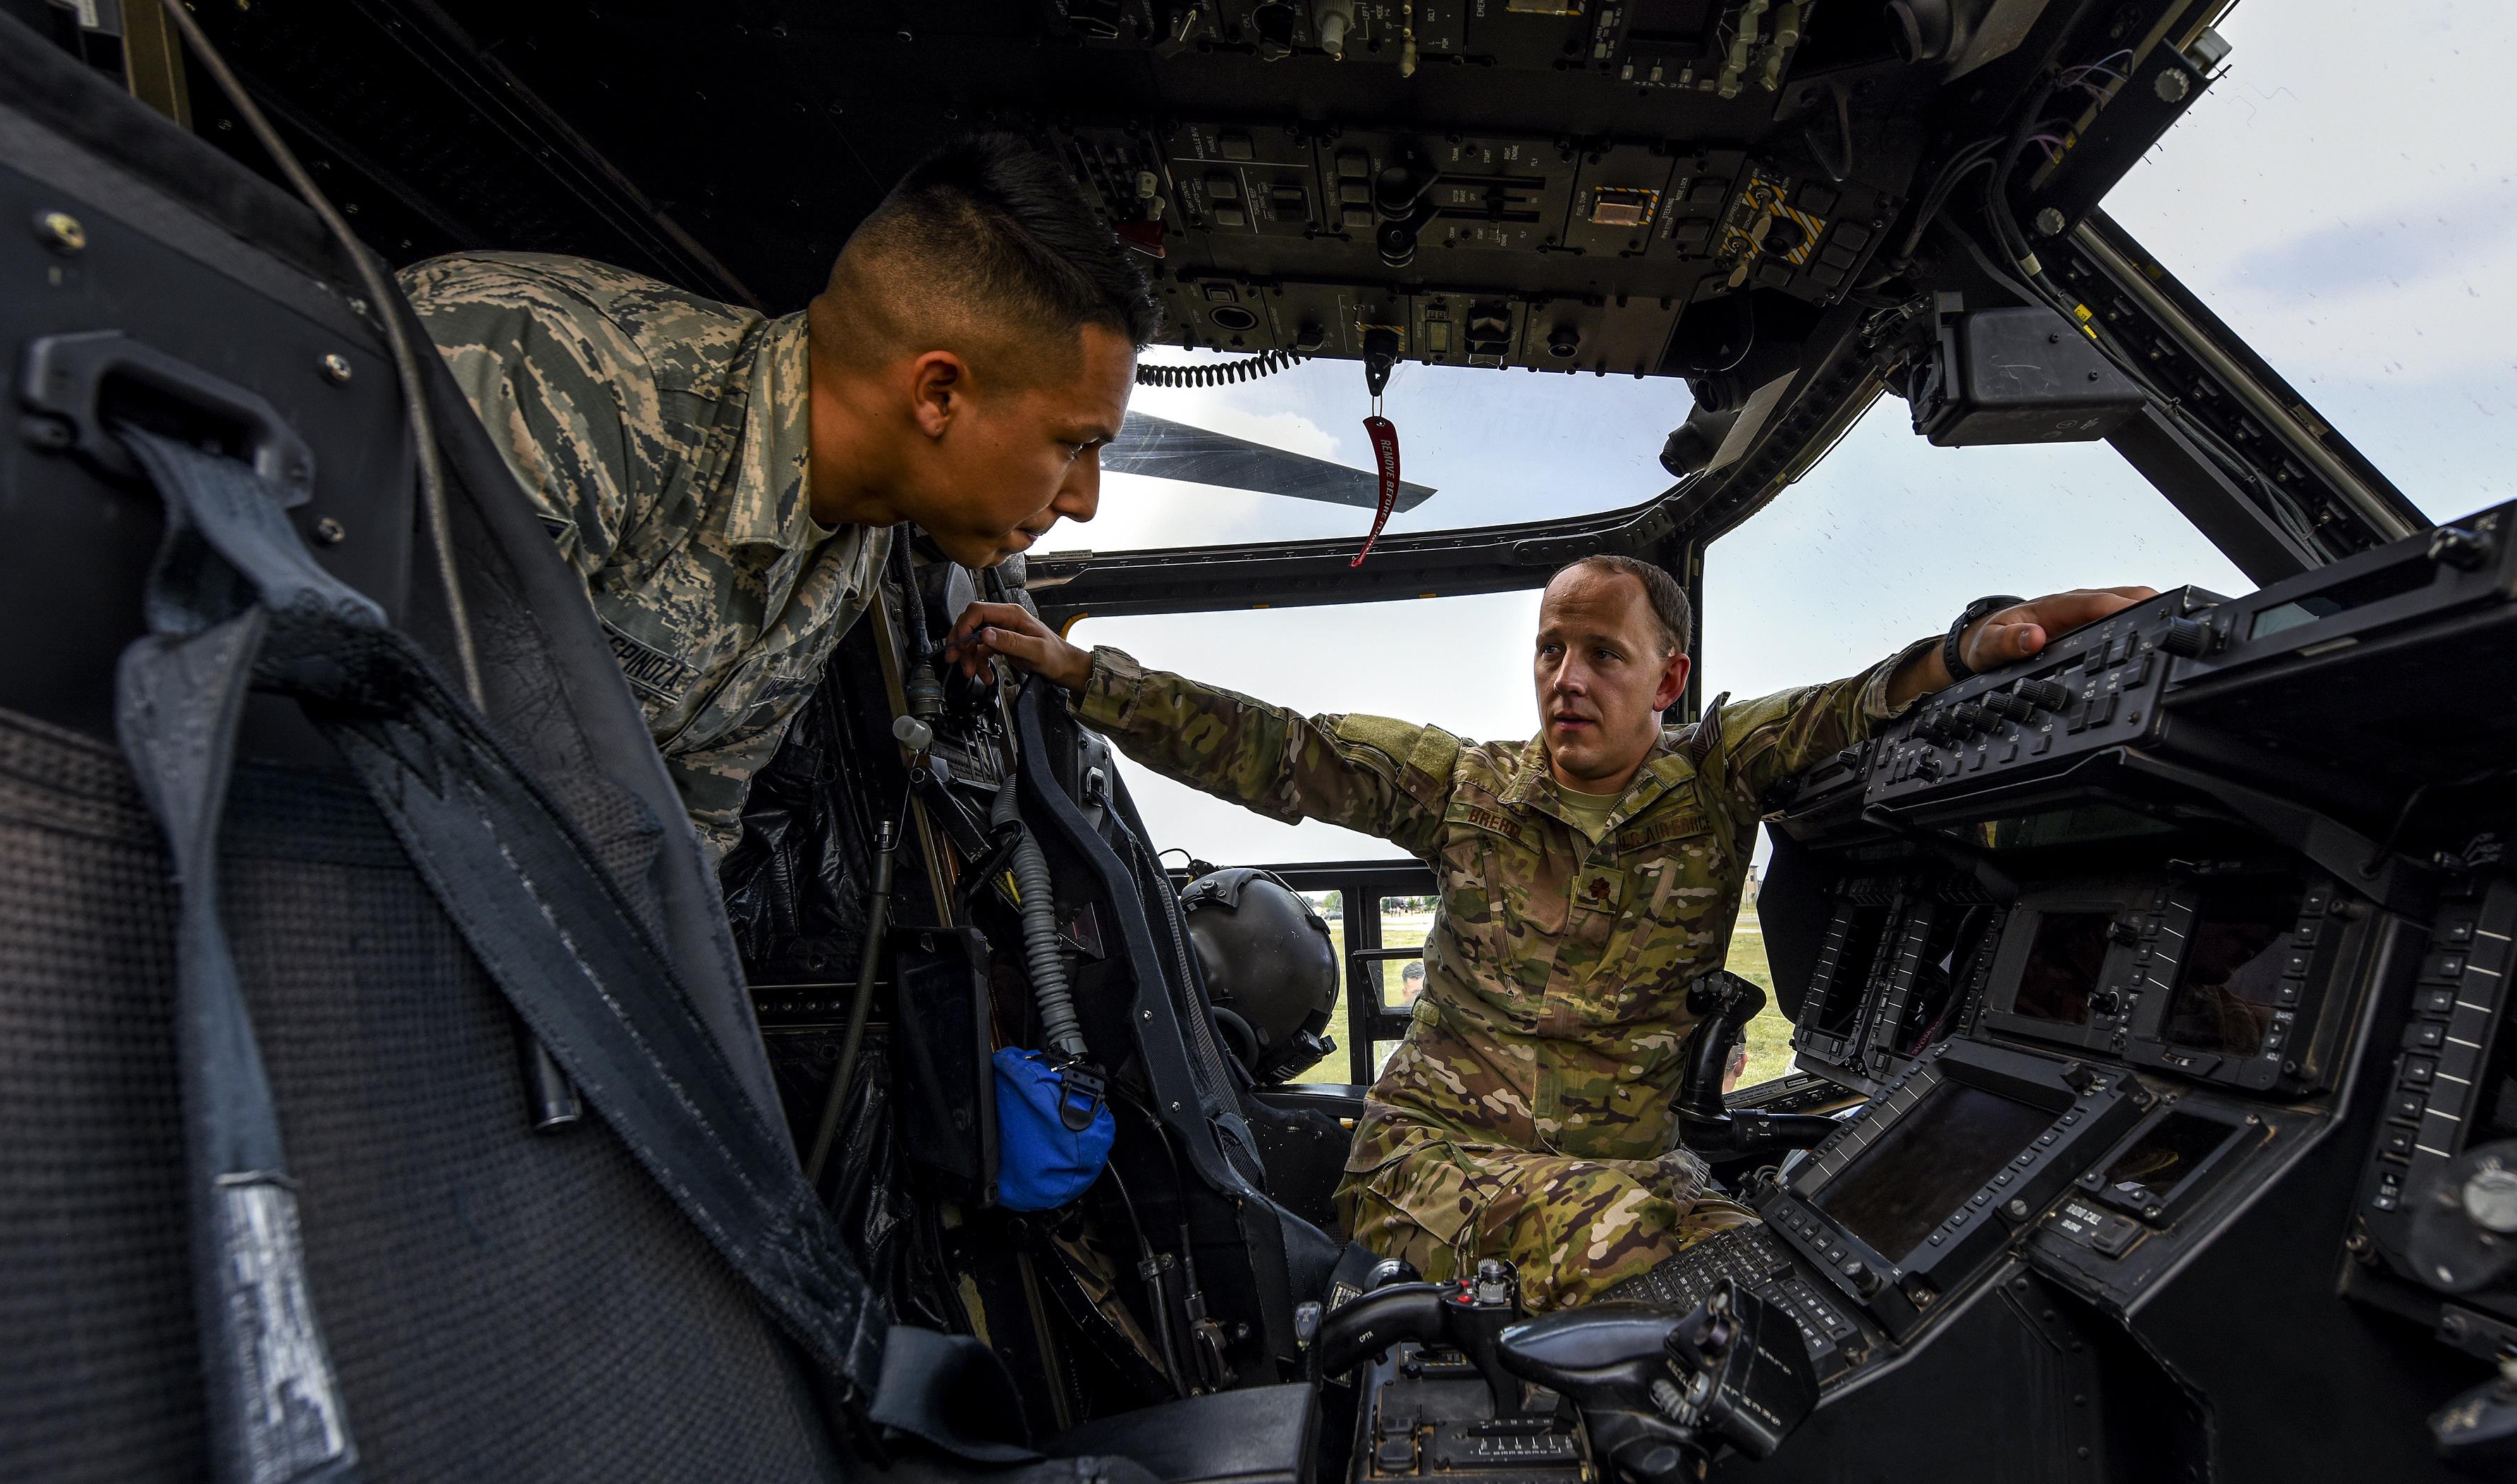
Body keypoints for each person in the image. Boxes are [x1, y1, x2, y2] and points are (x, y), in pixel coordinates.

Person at [945, 557, 2152, 1308]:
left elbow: (1843, 710)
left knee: (1773, 1261)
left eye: (1602, 655)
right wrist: (1085, 673)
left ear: (1666, 680)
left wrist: (1967, 649)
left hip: (1630, 1172)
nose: (1567, 679)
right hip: (1431, 1166)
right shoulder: (1466, 786)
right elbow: (1287, 748)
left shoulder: (1717, 781)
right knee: (1707, 1287)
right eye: (1550, 650)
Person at [405, 135, 1153, 859]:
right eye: (1075, 444)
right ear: (939, 394)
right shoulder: (569, 386)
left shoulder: (851, 551)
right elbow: (390, 755)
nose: (1083, 500)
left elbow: (691, 826)